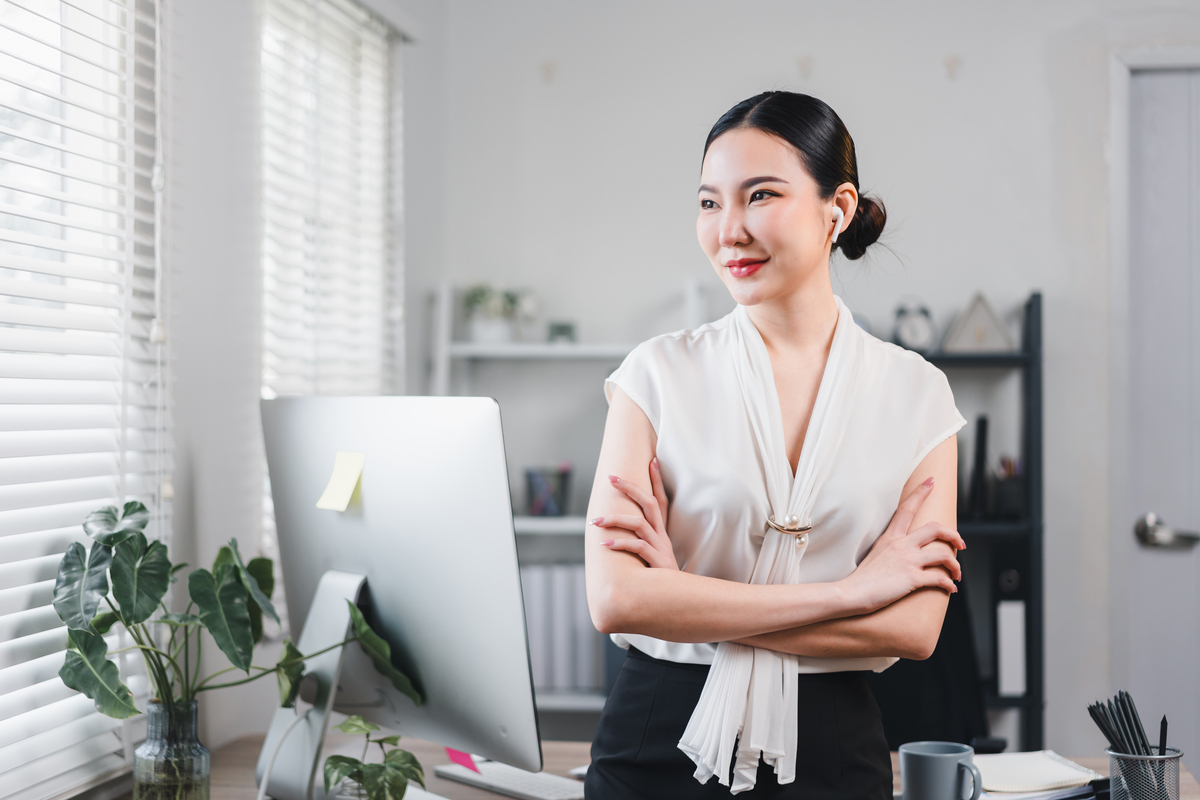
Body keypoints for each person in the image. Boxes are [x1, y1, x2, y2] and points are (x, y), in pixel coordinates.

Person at [583, 91, 968, 799]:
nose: (728, 230)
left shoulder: (918, 396)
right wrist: (853, 593)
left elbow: (913, 627)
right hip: (654, 742)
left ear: (838, 209)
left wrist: (686, 600)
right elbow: (615, 600)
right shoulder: (655, 375)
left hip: (833, 750)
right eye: (708, 202)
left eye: (760, 195)